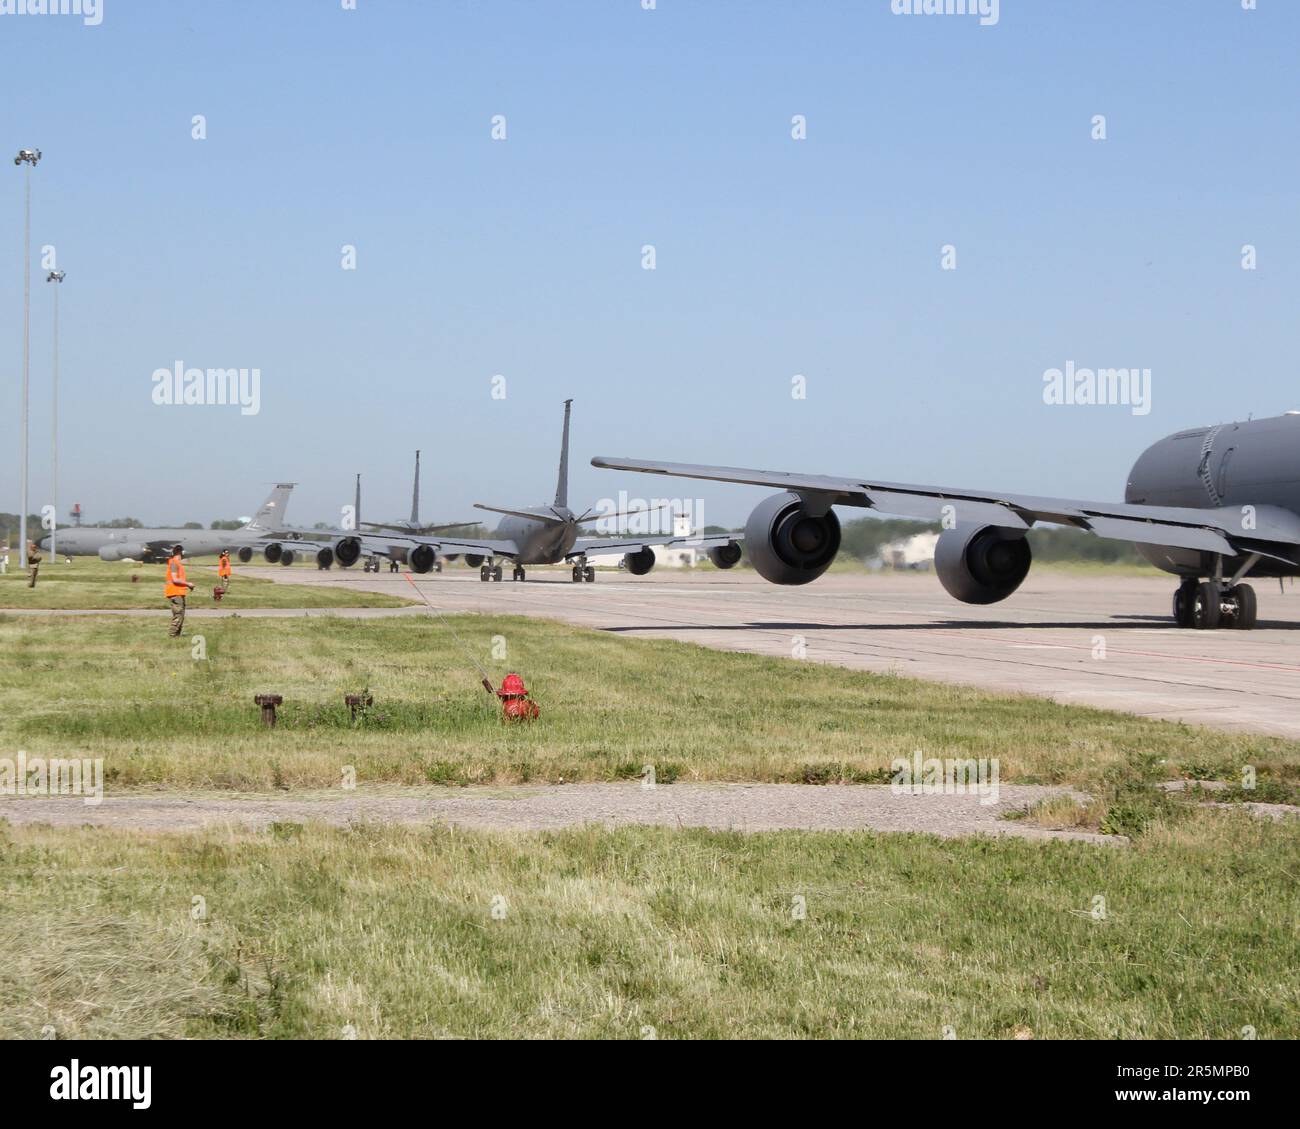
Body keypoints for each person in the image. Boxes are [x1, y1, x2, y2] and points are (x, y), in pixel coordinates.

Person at [165, 543, 194, 637]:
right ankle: (172, 635)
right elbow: (175, 579)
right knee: (178, 615)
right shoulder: (174, 563)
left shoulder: (176, 563)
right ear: (180, 552)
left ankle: (176, 636)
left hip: (179, 593)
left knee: (181, 615)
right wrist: (188, 584)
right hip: (175, 593)